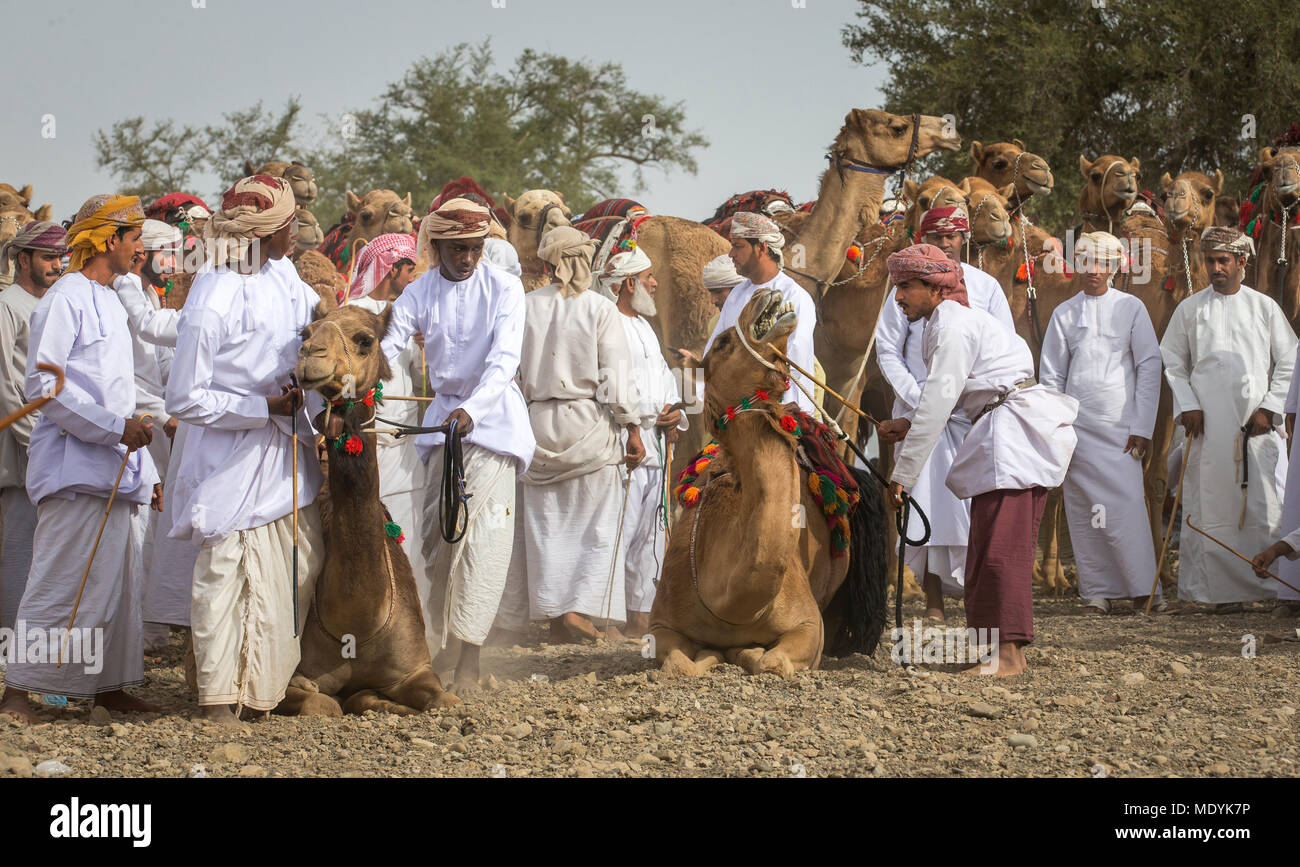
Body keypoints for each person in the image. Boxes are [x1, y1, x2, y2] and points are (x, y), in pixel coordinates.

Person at [165, 175, 325, 724]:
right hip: (229, 458)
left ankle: (263, 690)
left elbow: (314, 332)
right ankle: (216, 701)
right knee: (227, 575)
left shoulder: (287, 276)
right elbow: (184, 397)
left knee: (293, 567)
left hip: (287, 452)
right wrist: (262, 409)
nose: (298, 234)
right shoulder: (212, 296)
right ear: (266, 233)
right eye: (290, 226)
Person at [879, 244, 1077, 676]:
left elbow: (937, 400)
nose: (898, 298)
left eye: (906, 287)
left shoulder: (951, 325)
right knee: (986, 547)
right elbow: (947, 396)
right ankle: (996, 652)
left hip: (1013, 435)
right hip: (997, 431)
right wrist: (909, 425)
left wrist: (903, 475)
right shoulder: (943, 322)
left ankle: (1008, 657)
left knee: (1000, 551)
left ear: (935, 288)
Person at [0, 196, 162, 723]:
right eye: (133, 238)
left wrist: (149, 467)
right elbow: (44, 386)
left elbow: (124, 392)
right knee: (58, 581)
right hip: (74, 467)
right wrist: (118, 429)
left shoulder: (111, 300)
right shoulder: (64, 298)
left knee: (119, 585)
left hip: (118, 470)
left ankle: (109, 687)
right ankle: (19, 693)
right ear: (109, 240)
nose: (140, 249)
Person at [380, 199, 534, 691]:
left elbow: (505, 359)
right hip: (442, 423)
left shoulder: (506, 287)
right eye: (457, 249)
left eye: (475, 248)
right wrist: (363, 376)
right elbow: (389, 341)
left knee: (482, 540)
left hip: (493, 423)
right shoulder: (419, 291)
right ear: (437, 246)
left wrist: (474, 410)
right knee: (436, 542)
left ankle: (471, 654)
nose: (468, 258)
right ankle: (444, 640)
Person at [501, 225, 643, 644]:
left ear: (546, 263)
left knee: (547, 526)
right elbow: (615, 380)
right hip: (589, 427)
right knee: (593, 526)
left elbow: (512, 373)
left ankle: (554, 613)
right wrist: (633, 427)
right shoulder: (601, 309)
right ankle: (579, 611)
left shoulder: (524, 306)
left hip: (535, 425)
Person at [875, 205, 1015, 619]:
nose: (944, 243)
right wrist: (916, 404)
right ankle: (937, 603)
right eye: (935, 237)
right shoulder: (909, 295)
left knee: (973, 512)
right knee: (926, 505)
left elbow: (996, 352)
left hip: (974, 414)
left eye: (951, 236)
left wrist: (931, 411)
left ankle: (990, 619)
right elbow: (887, 347)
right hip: (923, 407)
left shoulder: (979, 294)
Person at [1160, 226, 1296, 612]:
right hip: (1206, 425)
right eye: (1211, 261)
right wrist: (1187, 404)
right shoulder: (1190, 308)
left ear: (1242, 263)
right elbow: (1171, 359)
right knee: (1208, 502)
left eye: (1224, 261)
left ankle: (1267, 589)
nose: (1216, 268)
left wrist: (1270, 407)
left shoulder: (1264, 307)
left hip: (1255, 424)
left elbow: (1289, 359)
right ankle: (1208, 592)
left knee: (1262, 502)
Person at [1040, 232, 1164, 614]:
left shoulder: (1131, 308)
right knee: (1085, 513)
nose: (1093, 270)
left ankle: (1145, 591)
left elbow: (1149, 364)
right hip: (1078, 431)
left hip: (1122, 431)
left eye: (1101, 263)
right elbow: (1051, 377)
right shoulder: (1064, 313)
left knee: (1128, 508)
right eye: (1086, 262)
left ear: (1114, 267)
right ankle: (1096, 592)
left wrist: (1142, 426)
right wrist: (1057, 430)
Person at [597, 247, 687, 636]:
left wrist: (675, 413)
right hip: (624, 441)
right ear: (629, 283)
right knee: (620, 529)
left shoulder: (646, 327)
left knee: (650, 532)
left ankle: (641, 614)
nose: (654, 283)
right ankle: (607, 616)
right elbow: (613, 385)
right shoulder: (609, 324)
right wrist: (643, 419)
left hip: (654, 442)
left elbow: (665, 381)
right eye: (649, 276)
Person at [113, 219, 184, 652]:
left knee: (156, 521)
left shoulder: (147, 294)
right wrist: (165, 416)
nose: (174, 263)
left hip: (157, 417)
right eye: (167, 252)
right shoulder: (123, 292)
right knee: (139, 521)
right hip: (134, 421)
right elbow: (125, 376)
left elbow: (160, 366)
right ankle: (135, 631)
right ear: (143, 253)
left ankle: (151, 627)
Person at [0, 221, 67, 632]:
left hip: (52, 443)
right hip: (22, 448)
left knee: (46, 550)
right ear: (23, 259)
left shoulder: (51, 304)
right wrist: (38, 441)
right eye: (48, 257)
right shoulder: (7, 305)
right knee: (21, 545)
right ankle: (11, 646)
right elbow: (5, 386)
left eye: (61, 257)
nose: (57, 265)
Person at [691, 212, 816, 413]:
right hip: (738, 414)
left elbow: (794, 360)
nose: (731, 254)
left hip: (784, 412)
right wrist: (695, 396)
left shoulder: (795, 297)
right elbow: (715, 352)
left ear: (761, 248)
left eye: (738, 246)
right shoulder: (737, 295)